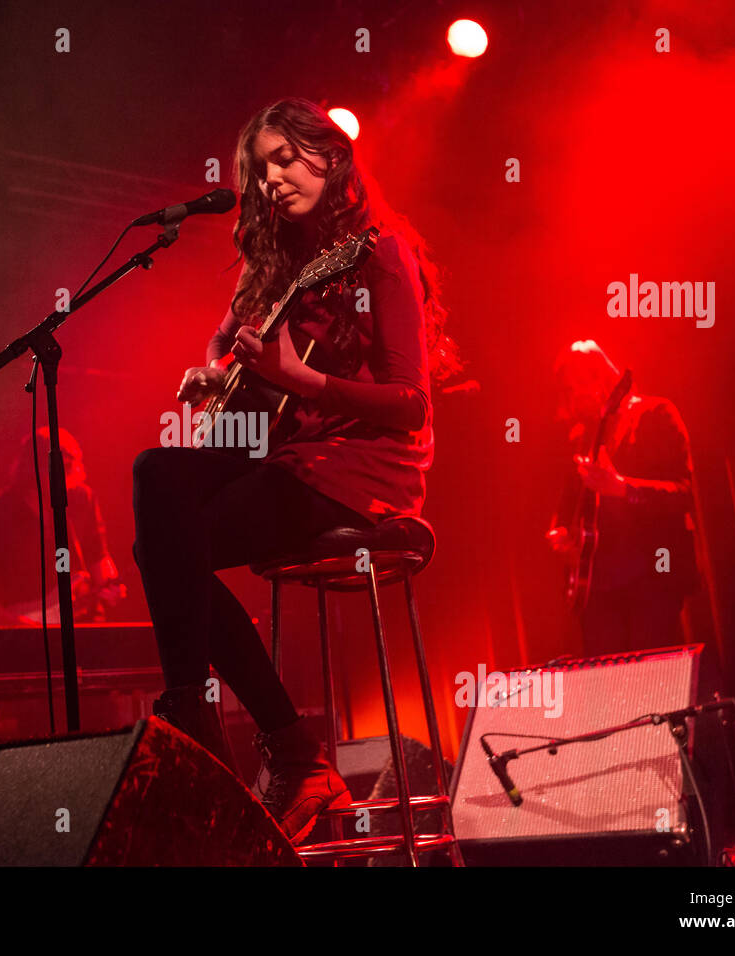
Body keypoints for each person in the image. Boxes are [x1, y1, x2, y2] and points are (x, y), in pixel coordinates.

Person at [131, 97, 458, 844]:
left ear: (331, 157)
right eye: (259, 169)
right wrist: (211, 377)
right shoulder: (273, 267)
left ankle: (247, 734)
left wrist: (299, 379)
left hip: (362, 466)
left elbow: (409, 405)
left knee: (167, 549)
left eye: (286, 159)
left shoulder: (377, 255)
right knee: (157, 476)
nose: (273, 179)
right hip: (286, 453)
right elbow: (224, 349)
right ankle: (231, 725)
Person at [546, 341, 699, 657]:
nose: (579, 396)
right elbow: (567, 506)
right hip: (598, 591)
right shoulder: (583, 437)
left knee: (656, 684)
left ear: (604, 376)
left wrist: (623, 489)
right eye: (571, 390)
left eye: (583, 383)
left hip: (653, 579)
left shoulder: (656, 413)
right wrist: (560, 532)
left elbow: (684, 494)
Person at [0, 427, 125, 626]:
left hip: (84, 622)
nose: (66, 483)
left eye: (69, 471)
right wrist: (9, 622)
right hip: (24, 625)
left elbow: (98, 555)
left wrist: (111, 586)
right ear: (34, 470)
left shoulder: (82, 498)